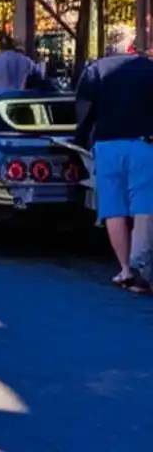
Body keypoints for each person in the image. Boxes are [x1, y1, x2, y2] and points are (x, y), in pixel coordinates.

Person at [76, 34, 153, 293]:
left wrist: (82, 139)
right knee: (144, 202)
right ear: (133, 49)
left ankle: (125, 270)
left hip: (107, 145)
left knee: (113, 208)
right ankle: (142, 266)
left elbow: (84, 111)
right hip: (143, 143)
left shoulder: (94, 71)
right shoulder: (148, 69)